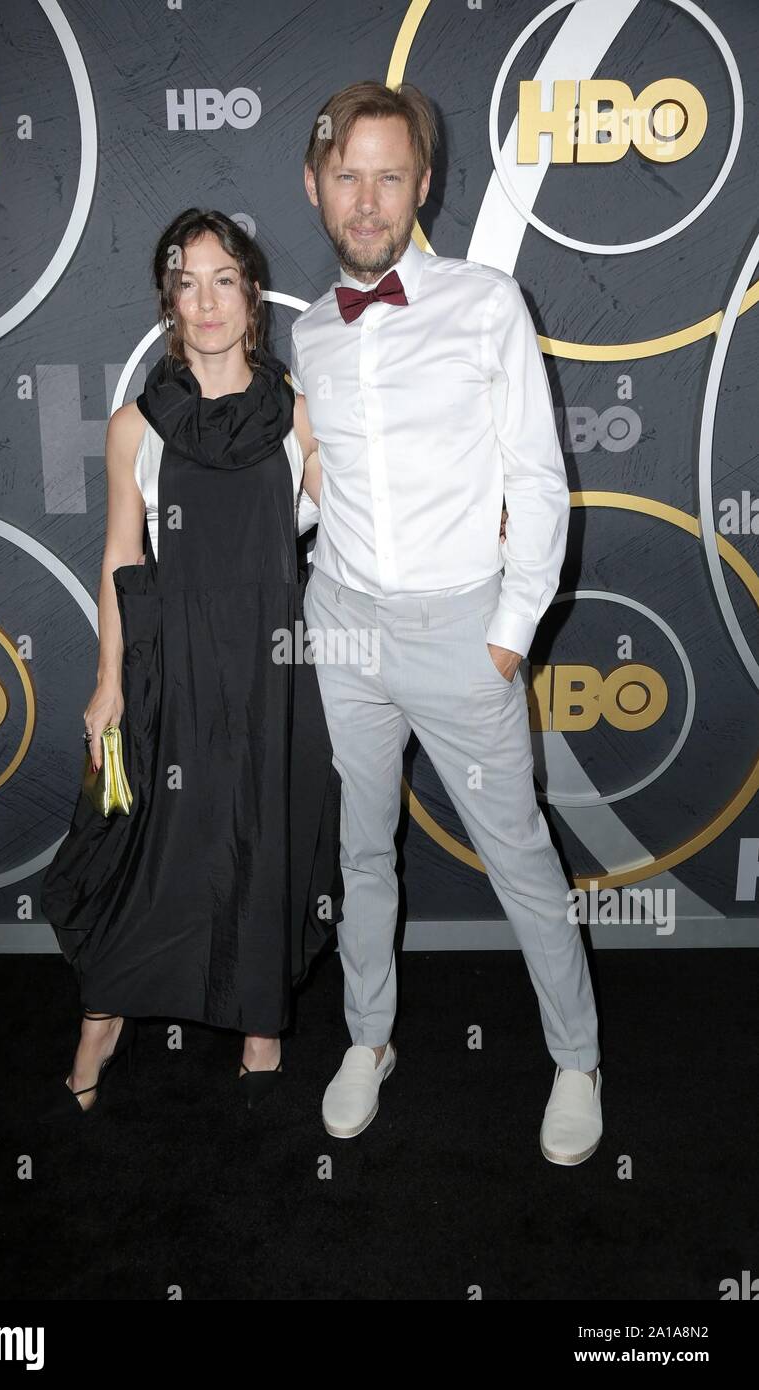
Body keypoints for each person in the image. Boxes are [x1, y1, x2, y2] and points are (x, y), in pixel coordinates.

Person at [290, 81, 602, 1163]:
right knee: (359, 853)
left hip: (463, 635)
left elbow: (538, 477)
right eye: (346, 175)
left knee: (519, 856)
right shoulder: (309, 341)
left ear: (421, 184)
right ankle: (366, 1041)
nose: (365, 199)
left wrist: (508, 634)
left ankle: (574, 1058)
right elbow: (316, 486)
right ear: (314, 186)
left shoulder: (484, 301)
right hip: (343, 628)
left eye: (388, 174)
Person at [40, 209, 343, 1113]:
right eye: (187, 281)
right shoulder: (137, 424)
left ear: (251, 296)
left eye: (224, 279)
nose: (206, 300)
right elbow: (121, 560)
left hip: (274, 670)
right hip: (171, 670)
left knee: (265, 834)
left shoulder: (298, 416)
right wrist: (106, 683)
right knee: (150, 849)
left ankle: (259, 1020)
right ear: (169, 301)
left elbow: (363, 532)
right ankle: (108, 1012)